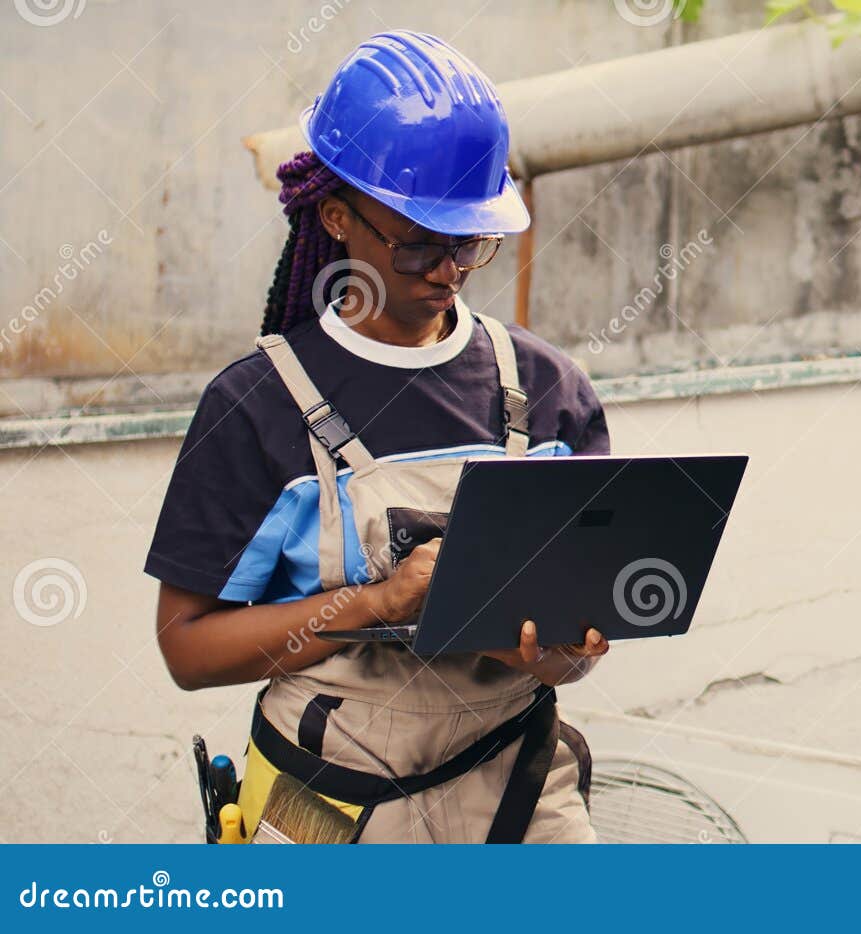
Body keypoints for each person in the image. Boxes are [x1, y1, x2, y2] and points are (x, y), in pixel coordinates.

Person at [144, 30, 609, 843]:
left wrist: (546, 653)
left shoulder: (546, 392)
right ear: (336, 217)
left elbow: (573, 655)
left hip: (516, 789)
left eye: (469, 242)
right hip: (325, 802)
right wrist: (376, 604)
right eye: (421, 243)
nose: (449, 271)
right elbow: (188, 651)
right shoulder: (255, 407)